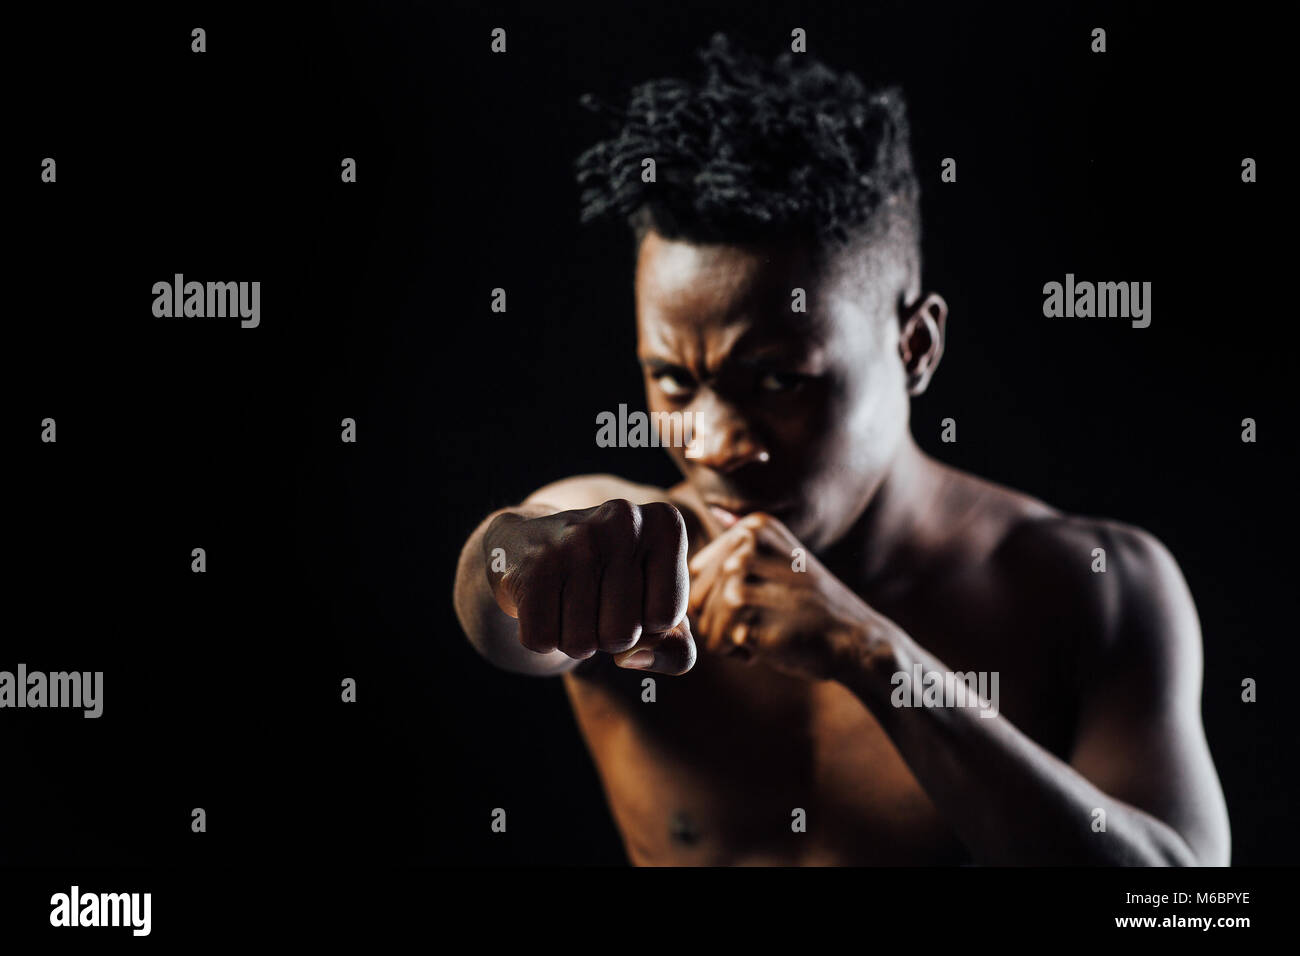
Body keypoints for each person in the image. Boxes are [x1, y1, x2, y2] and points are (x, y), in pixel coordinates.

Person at [453, 35, 1230, 866]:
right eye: (674, 382)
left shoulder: (1094, 591)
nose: (714, 444)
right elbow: (499, 582)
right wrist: (519, 560)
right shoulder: (637, 565)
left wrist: (876, 658)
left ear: (915, 346)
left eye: (779, 380)